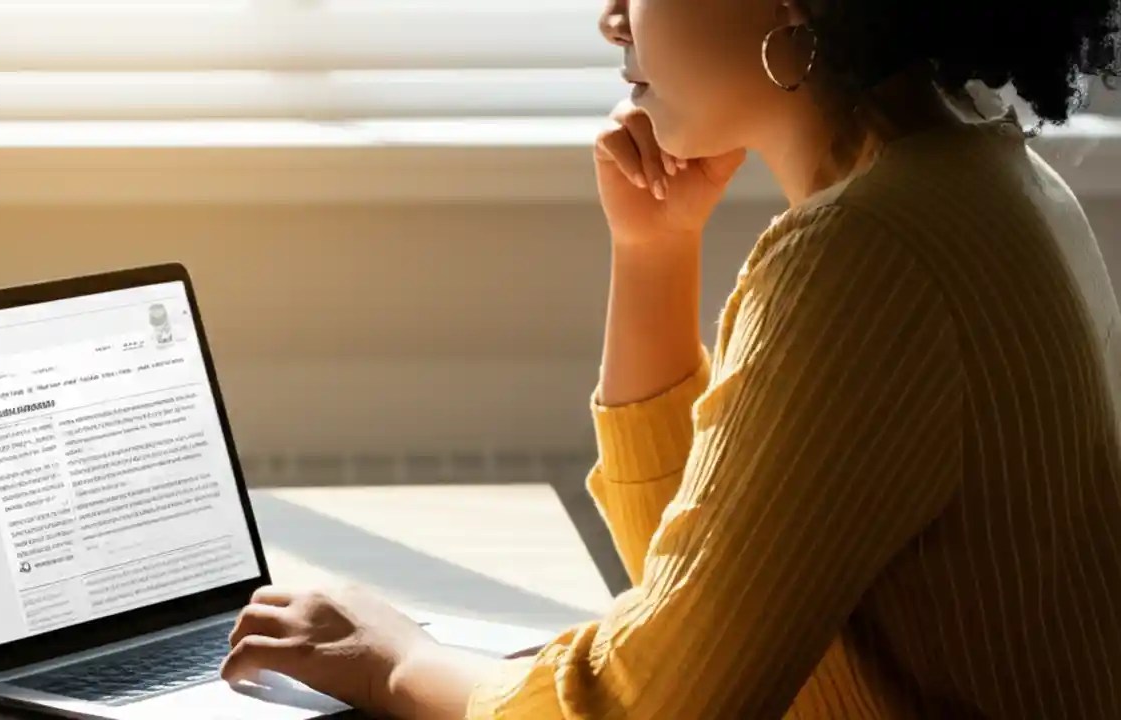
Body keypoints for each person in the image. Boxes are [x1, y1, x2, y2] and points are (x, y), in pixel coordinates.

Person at [220, 0, 1121, 716]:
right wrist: (655, 252)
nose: (613, 14)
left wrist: (397, 664)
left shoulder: (869, 253)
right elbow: (704, 605)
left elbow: (657, 704)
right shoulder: (990, 181)